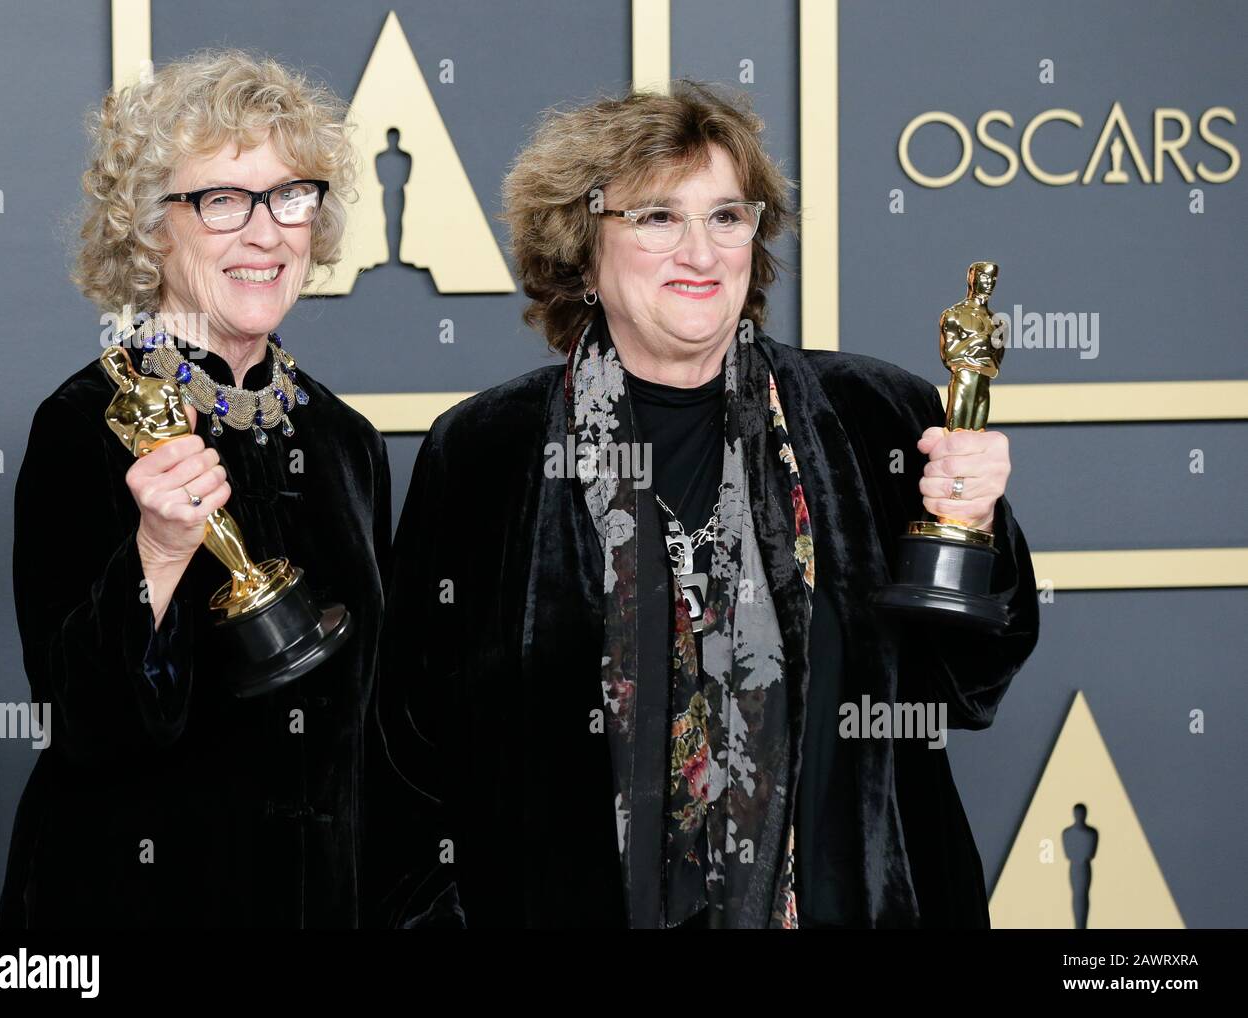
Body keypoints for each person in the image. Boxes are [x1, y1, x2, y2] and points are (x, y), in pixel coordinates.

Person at [376, 81, 1039, 929]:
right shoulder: (483, 451)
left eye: (727, 217)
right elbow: (409, 755)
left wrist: (981, 529)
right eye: (657, 218)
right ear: (582, 248)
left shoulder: (880, 414)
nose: (701, 252)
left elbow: (967, 683)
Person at [0, 49, 391, 927]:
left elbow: (371, 740)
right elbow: (84, 727)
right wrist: (158, 552)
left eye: (290, 196)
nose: (266, 233)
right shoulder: (84, 423)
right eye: (222, 201)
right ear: (150, 228)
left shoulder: (345, 442)